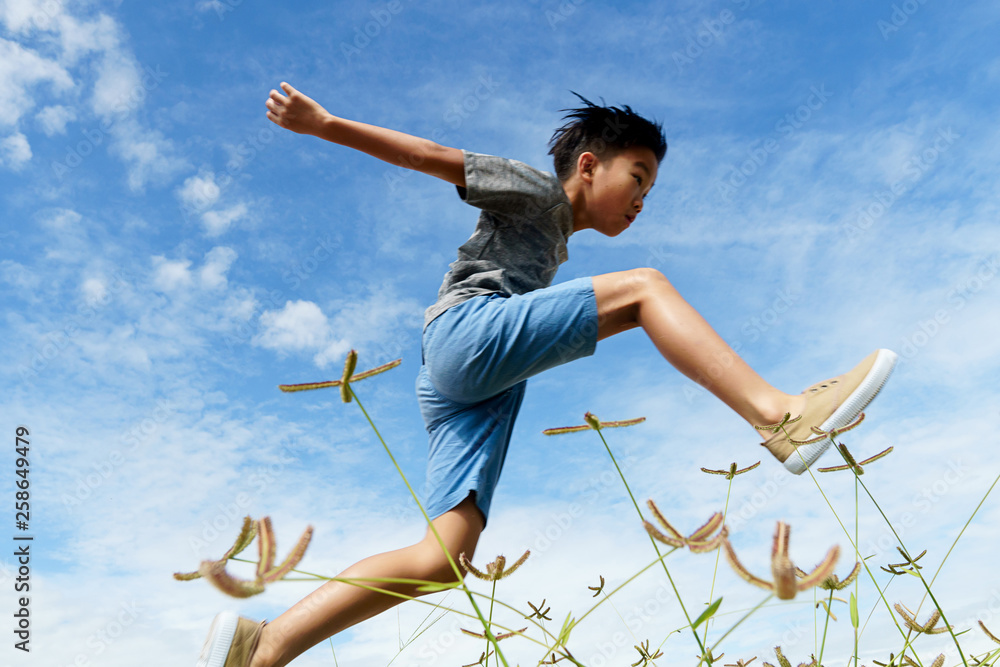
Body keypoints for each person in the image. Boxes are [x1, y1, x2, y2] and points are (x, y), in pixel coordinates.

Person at [196, 83, 896, 667]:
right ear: (588, 165)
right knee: (646, 289)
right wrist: (323, 125)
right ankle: (779, 414)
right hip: (466, 334)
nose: (643, 197)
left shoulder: (558, 237)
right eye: (638, 177)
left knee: (442, 556)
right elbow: (438, 159)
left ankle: (266, 645)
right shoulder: (536, 190)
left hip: (466, 381)